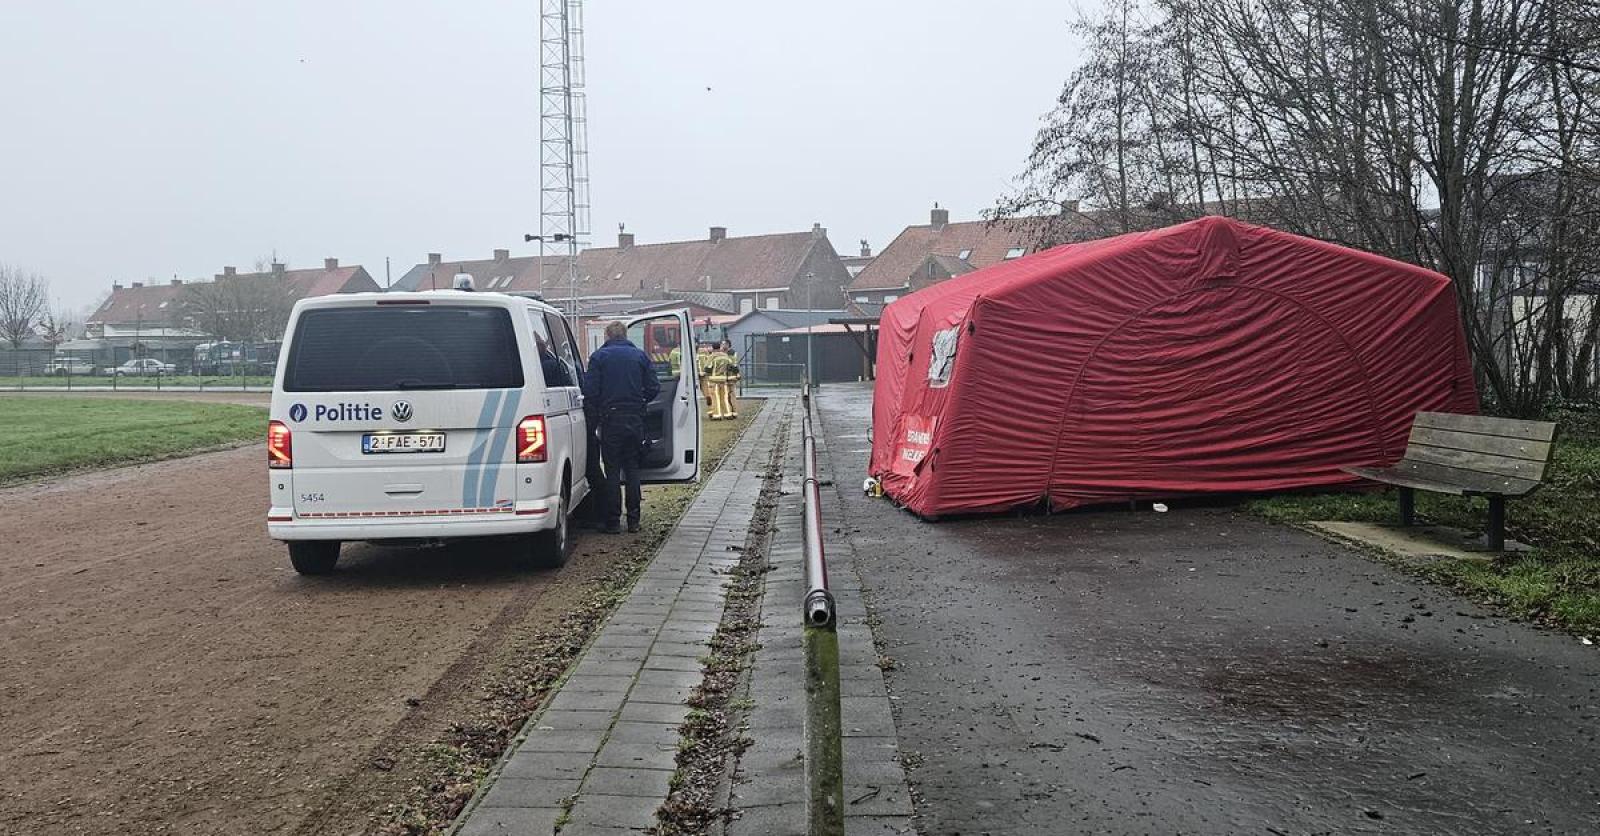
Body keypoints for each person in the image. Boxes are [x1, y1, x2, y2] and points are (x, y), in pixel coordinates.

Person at [583, 321, 660, 534]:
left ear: (607, 335)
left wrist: (596, 412)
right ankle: (634, 520)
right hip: (635, 419)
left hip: (611, 419)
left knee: (612, 471)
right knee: (633, 469)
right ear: (625, 335)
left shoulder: (599, 357)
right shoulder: (640, 356)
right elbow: (654, 387)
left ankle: (613, 521)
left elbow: (590, 391)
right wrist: (640, 401)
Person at [707, 340, 740, 420]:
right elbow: (733, 367)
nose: (723, 346)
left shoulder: (712, 356)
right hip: (725, 379)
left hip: (714, 380)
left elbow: (707, 369)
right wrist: (737, 374)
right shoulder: (726, 356)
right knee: (725, 397)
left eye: (724, 344)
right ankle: (728, 413)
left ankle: (717, 415)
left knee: (715, 398)